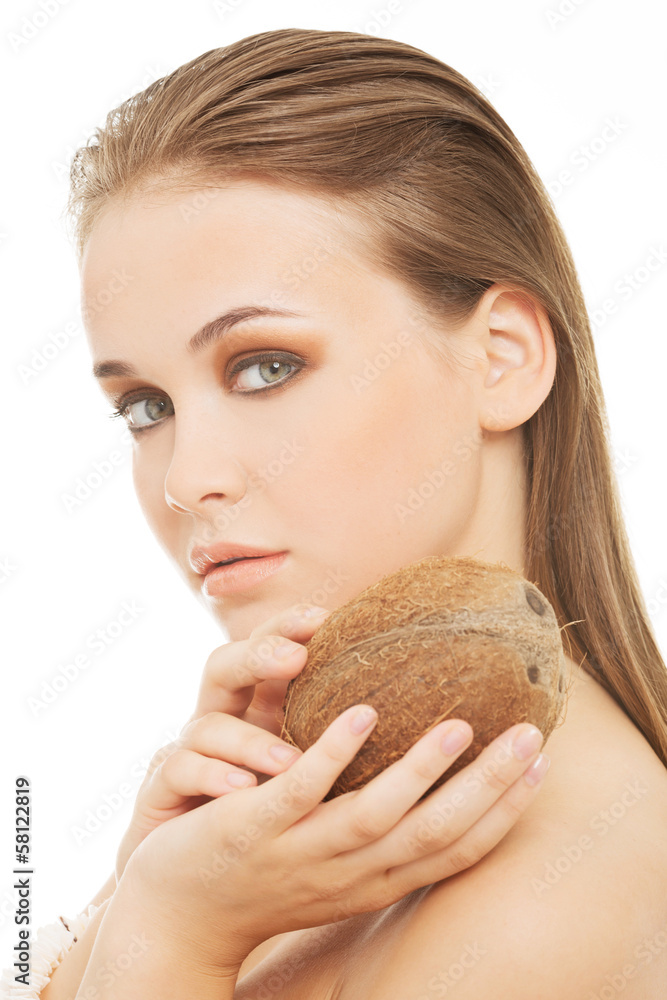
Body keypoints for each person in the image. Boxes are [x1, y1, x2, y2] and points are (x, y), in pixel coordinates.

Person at [14, 26, 667, 999]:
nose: (187, 477)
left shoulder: (546, 906)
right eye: (146, 406)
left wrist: (170, 935)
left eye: (266, 365)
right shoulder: (286, 830)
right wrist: (132, 884)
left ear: (502, 357)